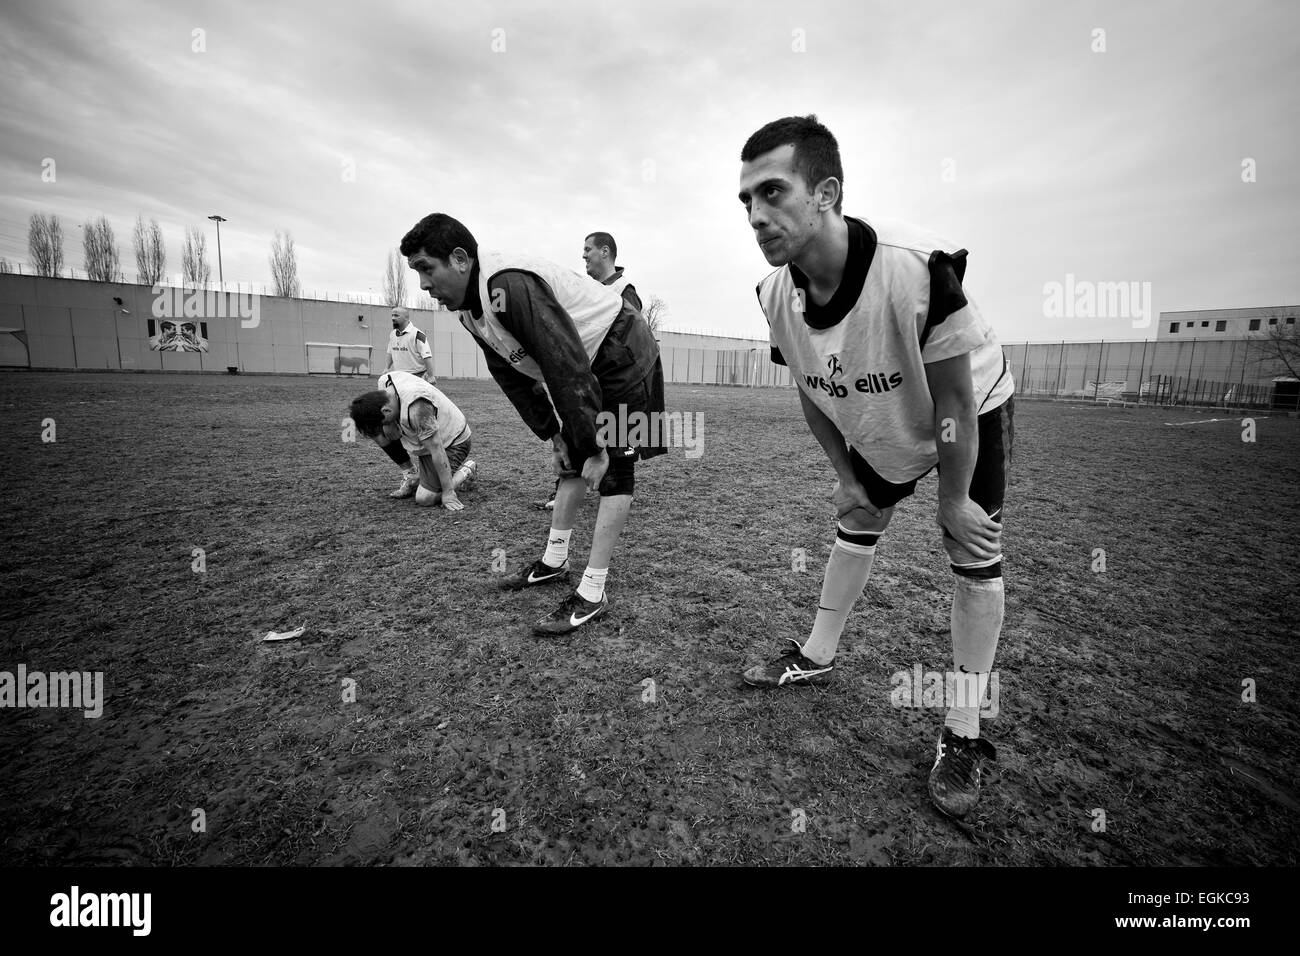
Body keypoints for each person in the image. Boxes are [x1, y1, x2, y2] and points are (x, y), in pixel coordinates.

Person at [736, 115, 1015, 821]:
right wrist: (845, 471)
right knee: (858, 514)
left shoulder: (912, 267)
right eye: (746, 201)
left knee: (972, 546)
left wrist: (954, 499)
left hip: (965, 412)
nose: (757, 215)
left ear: (826, 192)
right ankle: (818, 653)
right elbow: (807, 386)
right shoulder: (775, 296)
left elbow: (954, 398)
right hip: (879, 404)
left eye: (773, 192)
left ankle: (964, 729)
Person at [400, 213, 664, 635]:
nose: (424, 285)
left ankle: (593, 591)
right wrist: (554, 433)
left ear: (460, 258)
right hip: (587, 359)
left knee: (615, 466)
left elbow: (565, 364)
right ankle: (554, 562)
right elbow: (510, 374)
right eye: (417, 272)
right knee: (571, 459)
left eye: (426, 269)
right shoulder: (471, 309)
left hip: (623, 352)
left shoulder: (507, 284)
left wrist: (595, 444)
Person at [537, 231, 644, 510]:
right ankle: (565, 487)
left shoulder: (625, 292)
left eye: (588, 249)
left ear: (605, 252)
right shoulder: (591, 289)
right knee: (577, 429)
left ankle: (617, 486)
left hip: (611, 381)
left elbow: (628, 343)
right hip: (586, 378)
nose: (583, 255)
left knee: (612, 432)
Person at [349, 369, 476, 508]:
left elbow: (437, 449)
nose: (384, 426)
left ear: (386, 410)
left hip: (452, 441)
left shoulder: (417, 408)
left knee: (425, 498)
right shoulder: (384, 383)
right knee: (376, 431)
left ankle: (466, 471)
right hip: (426, 438)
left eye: (384, 421)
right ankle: (411, 475)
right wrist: (388, 423)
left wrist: (448, 492)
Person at [385, 307, 437, 383]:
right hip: (399, 377)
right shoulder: (392, 334)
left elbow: (427, 357)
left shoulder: (418, 335)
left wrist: (431, 376)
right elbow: (390, 352)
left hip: (418, 377)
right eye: (392, 315)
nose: (393, 318)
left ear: (406, 318)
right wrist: (386, 368)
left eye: (396, 315)